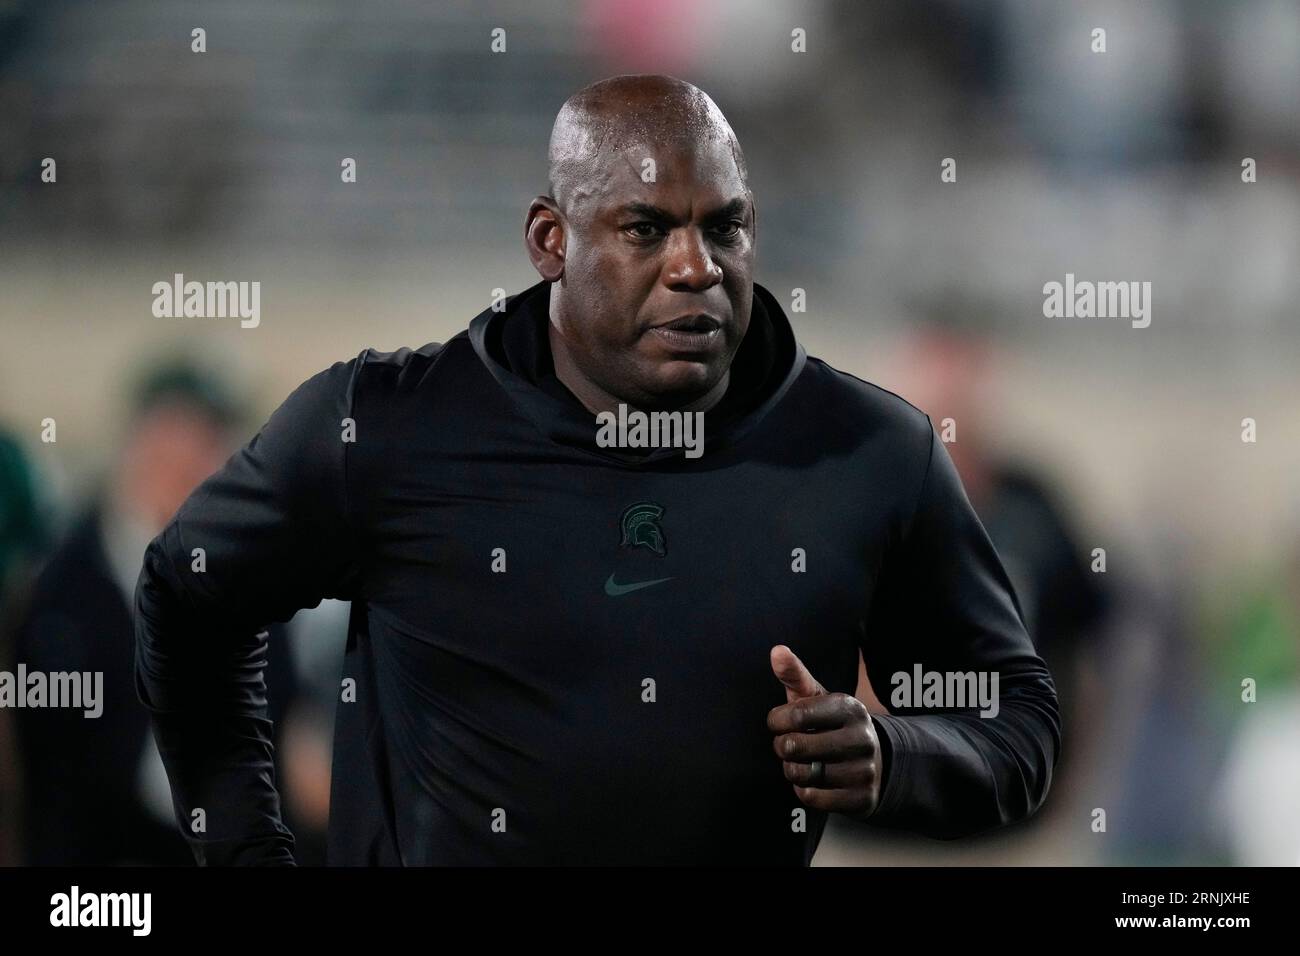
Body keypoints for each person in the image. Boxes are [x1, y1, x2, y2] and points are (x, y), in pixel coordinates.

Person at [135, 75, 1059, 866]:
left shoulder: (870, 453)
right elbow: (186, 593)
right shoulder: (383, 427)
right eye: (647, 229)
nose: (696, 267)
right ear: (550, 242)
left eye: (724, 229)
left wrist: (896, 757)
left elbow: (1018, 723)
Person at [14, 361, 300, 864]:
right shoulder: (63, 582)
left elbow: (284, 711)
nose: (191, 462)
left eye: (209, 443)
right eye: (176, 440)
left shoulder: (254, 573)